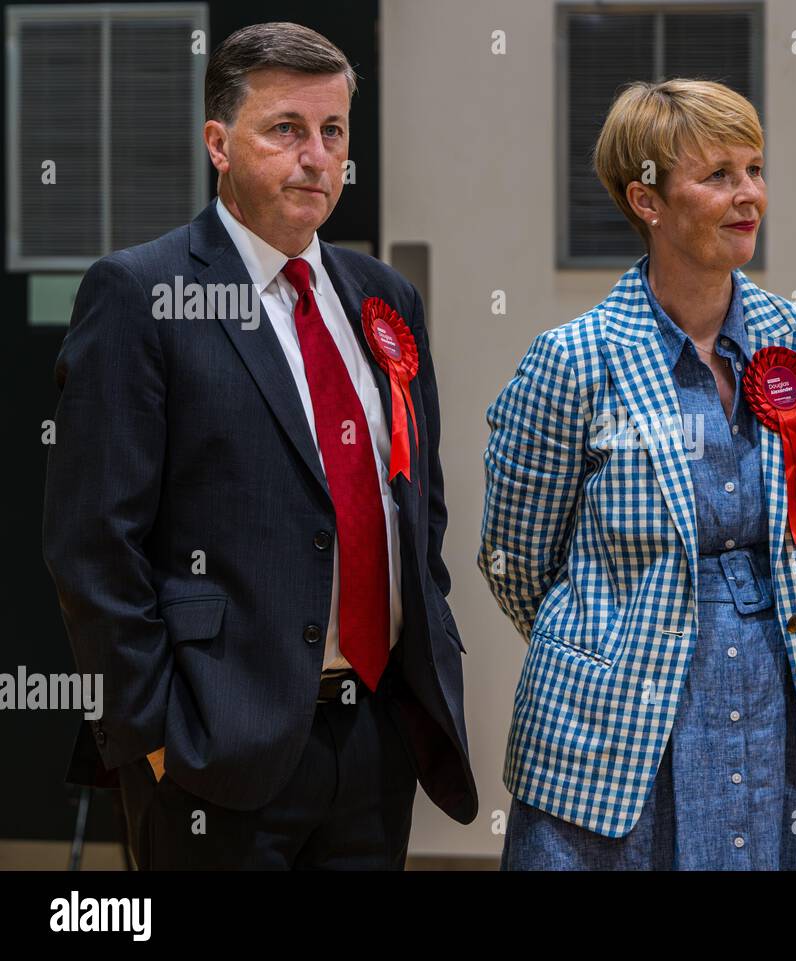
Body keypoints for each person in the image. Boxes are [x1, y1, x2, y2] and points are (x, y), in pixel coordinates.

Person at [42, 21, 475, 869]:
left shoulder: (384, 298)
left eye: (334, 132)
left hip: (375, 734)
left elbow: (417, 514)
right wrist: (153, 736)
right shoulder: (141, 292)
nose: (318, 156)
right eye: (286, 129)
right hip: (214, 745)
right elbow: (91, 544)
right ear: (219, 142)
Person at [479, 78, 796, 869]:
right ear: (647, 199)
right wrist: (615, 638)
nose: (749, 196)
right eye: (719, 175)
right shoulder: (573, 360)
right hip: (615, 734)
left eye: (755, 169)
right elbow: (515, 562)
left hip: (793, 704)